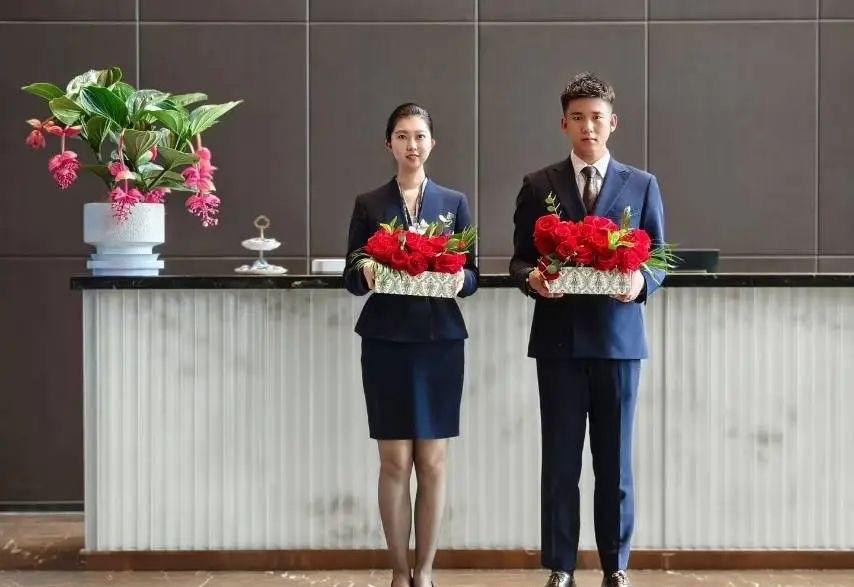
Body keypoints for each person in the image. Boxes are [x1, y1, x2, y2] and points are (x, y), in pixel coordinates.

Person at [509, 72, 666, 587]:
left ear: (612, 122)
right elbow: (519, 260)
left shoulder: (641, 184)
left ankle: (616, 566)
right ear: (564, 124)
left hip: (619, 341)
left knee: (615, 463)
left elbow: (660, 258)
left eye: (596, 117)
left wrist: (639, 283)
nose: (588, 127)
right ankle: (561, 566)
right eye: (577, 118)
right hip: (558, 342)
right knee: (560, 461)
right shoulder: (539, 185)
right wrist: (532, 279)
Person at [343, 103, 478, 587]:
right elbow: (351, 275)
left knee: (433, 462)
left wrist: (457, 277)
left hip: (440, 342)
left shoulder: (454, 202)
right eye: (402, 136)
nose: (412, 145)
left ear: (432, 143)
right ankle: (399, 573)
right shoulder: (370, 204)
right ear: (389, 144)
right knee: (395, 460)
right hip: (386, 341)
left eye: (420, 136)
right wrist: (366, 270)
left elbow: (473, 275)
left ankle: (425, 572)